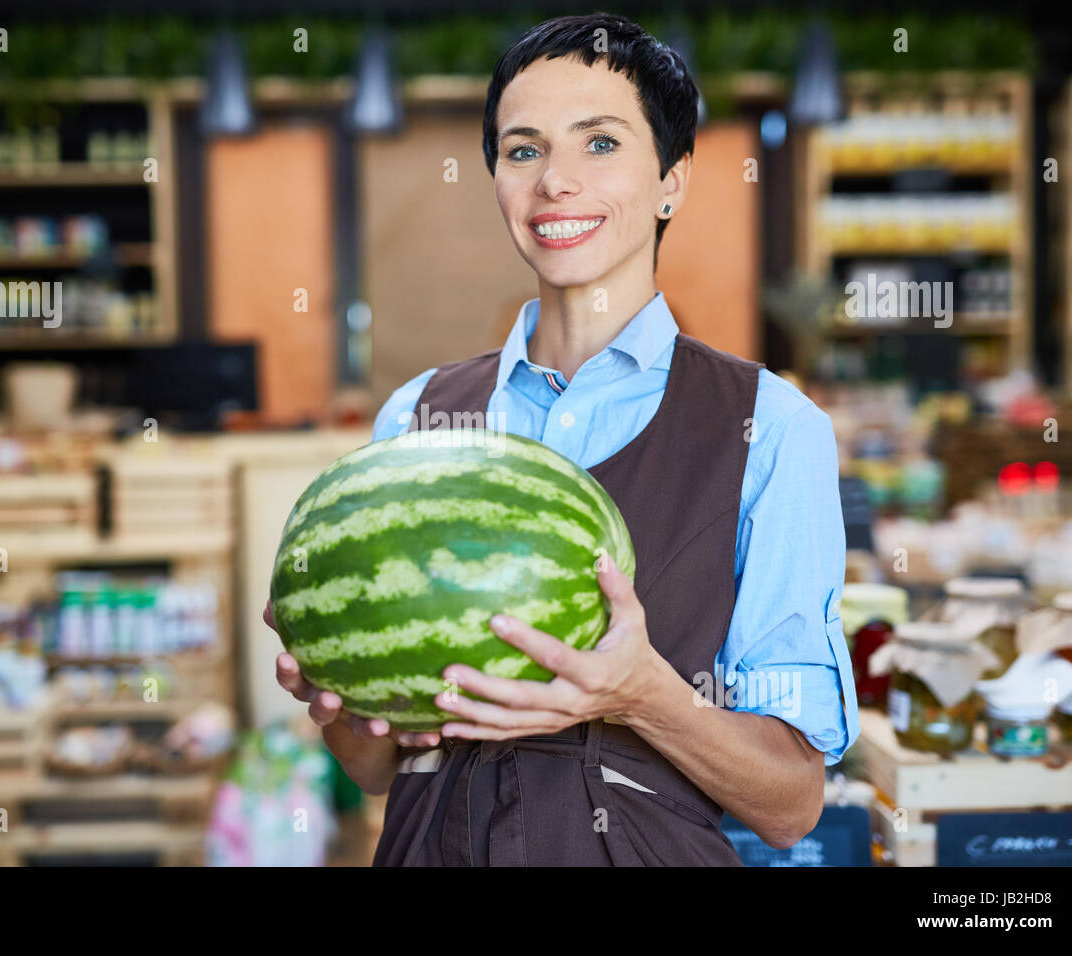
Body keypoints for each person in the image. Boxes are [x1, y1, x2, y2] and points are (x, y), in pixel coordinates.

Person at [267, 11, 858, 866]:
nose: (556, 182)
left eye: (602, 144)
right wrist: (345, 713)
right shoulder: (418, 416)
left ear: (672, 182)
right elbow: (378, 770)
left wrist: (642, 695)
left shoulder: (771, 428)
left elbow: (793, 804)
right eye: (523, 150)